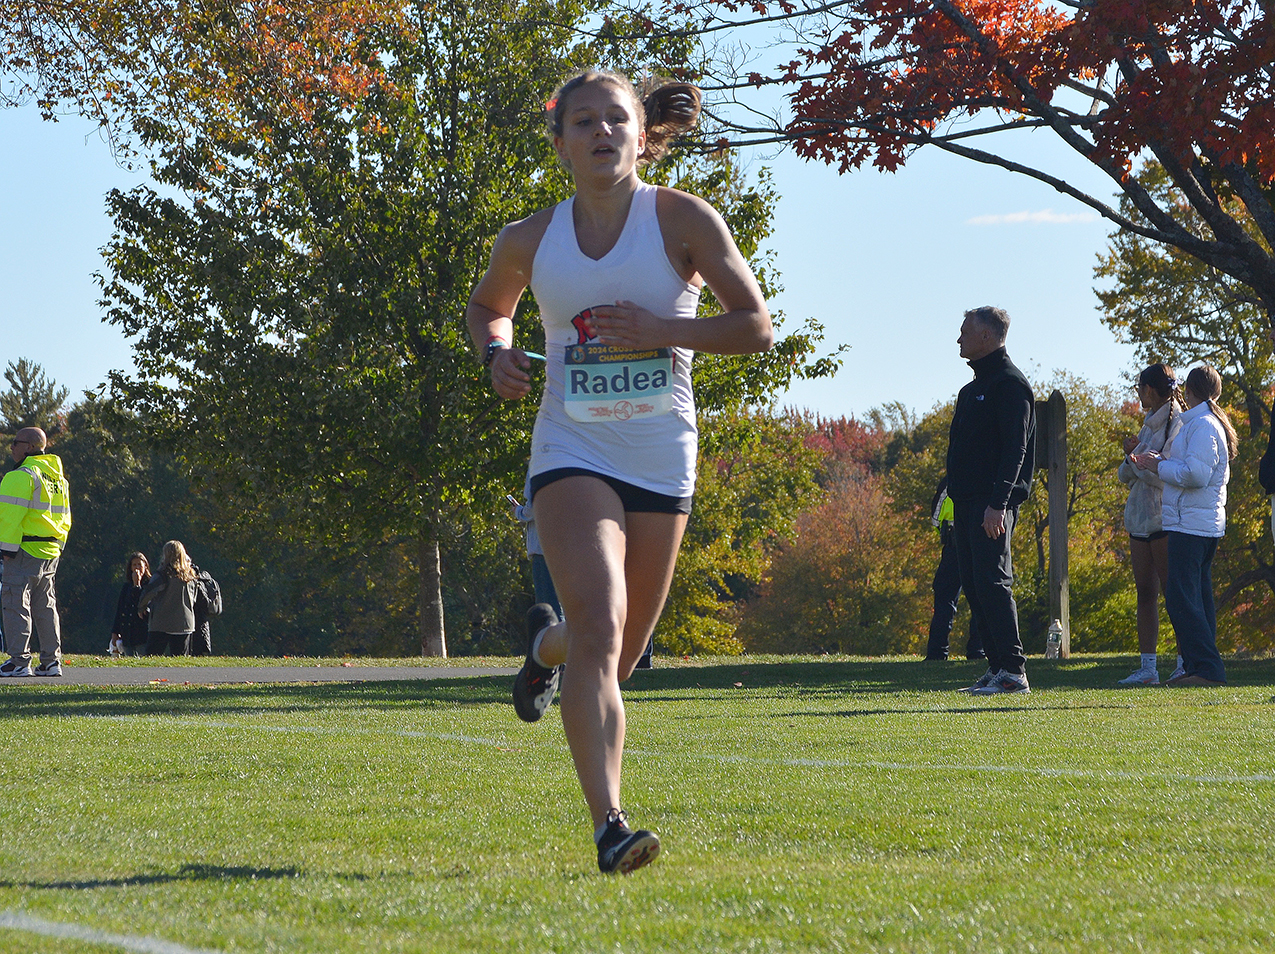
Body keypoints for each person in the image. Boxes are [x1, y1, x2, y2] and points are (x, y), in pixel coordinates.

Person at [466, 69, 772, 873]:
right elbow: (487, 307)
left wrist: (663, 327)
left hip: (660, 451)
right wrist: (496, 354)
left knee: (618, 653)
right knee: (602, 624)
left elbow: (755, 327)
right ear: (560, 139)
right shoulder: (529, 238)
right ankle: (610, 826)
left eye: (616, 120)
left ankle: (545, 649)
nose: (601, 133)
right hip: (572, 447)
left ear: (642, 134)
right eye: (584, 122)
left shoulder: (682, 220)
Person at [946, 307, 1036, 695]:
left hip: (991, 505)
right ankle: (996, 666)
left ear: (987, 336)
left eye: (965, 331)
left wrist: (998, 503)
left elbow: (1015, 450)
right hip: (965, 504)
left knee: (994, 582)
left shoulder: (1010, 385)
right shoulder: (971, 390)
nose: (958, 338)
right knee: (974, 583)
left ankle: (1014, 671)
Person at [1131, 364, 1237, 686]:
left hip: (1193, 524)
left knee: (1181, 598)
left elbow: (1196, 475)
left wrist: (1159, 466)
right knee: (1197, 597)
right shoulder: (1203, 423)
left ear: (1189, 391)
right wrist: (1162, 463)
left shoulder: (1203, 425)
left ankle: (1206, 669)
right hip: (1194, 522)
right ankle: (1197, 666)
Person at [1115, 363, 1186, 685]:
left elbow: (1167, 476)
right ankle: (1148, 668)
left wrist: (1137, 460)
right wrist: (1134, 457)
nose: (1139, 394)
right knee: (1145, 592)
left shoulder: (1178, 425)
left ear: (1151, 389)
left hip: (1164, 518)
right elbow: (1125, 473)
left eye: (1140, 388)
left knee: (1175, 592)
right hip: (1139, 520)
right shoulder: (1147, 426)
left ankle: (1186, 662)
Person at [0, 426, 72, 677]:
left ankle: (19, 662)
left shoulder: (21, 475)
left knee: (15, 601)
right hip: (51, 550)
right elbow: (66, 518)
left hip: (23, 549)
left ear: (29, 447)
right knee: (46, 605)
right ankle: (52, 661)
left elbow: (8, 518)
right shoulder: (58, 479)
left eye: (15, 442)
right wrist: (58, 547)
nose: (11, 447)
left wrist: (6, 549)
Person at [924, 476, 984, 661]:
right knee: (981, 597)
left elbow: (935, 517)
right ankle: (978, 651)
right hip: (979, 545)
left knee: (944, 599)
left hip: (954, 546)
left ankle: (937, 652)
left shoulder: (951, 481)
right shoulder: (987, 481)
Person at [139, 540, 199, 656]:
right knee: (180, 662)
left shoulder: (162, 575)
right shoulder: (191, 575)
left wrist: (141, 607)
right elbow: (194, 597)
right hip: (184, 623)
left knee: (152, 657)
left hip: (161, 623)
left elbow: (148, 592)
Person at [111, 551, 152, 656]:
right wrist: (115, 633)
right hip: (127, 633)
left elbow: (142, 605)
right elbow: (120, 610)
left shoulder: (150, 585)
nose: (137, 568)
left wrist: (137, 585)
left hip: (143, 634)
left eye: (140, 565)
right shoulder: (126, 587)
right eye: (134, 565)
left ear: (145, 567)